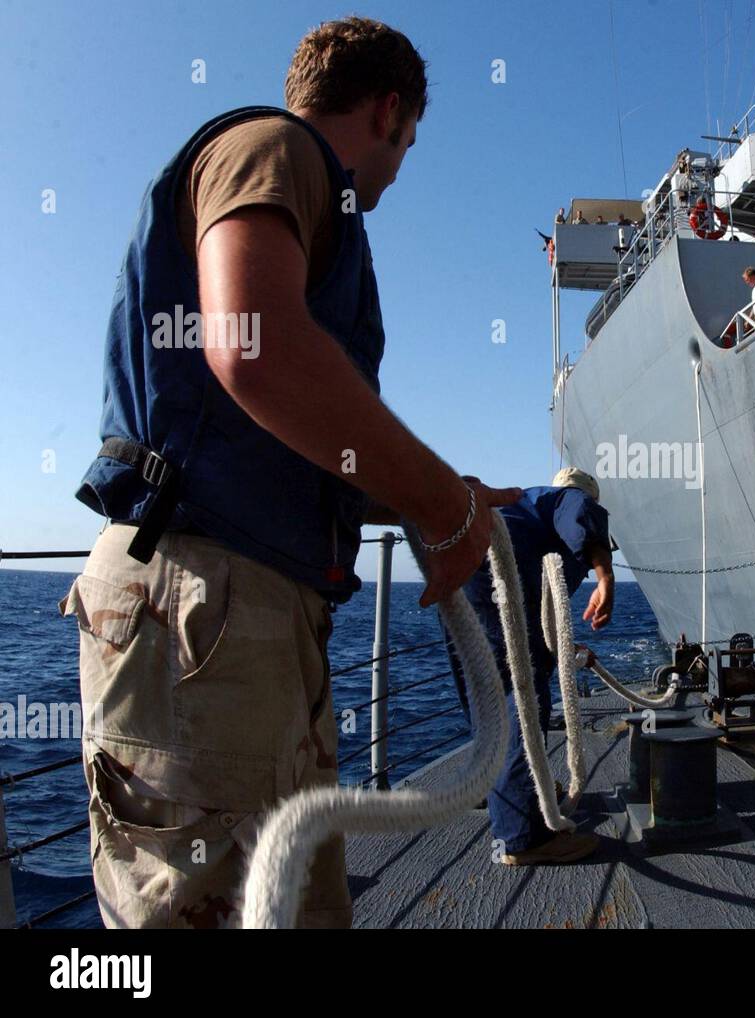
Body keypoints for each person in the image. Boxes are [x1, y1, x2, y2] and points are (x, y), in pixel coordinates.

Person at [60, 17, 521, 929]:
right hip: (205, 608)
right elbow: (253, 348)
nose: (400, 167)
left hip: (236, 618)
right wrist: (437, 503)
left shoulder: (306, 191)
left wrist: (449, 499)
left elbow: (284, 426)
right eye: (411, 143)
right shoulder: (278, 148)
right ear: (388, 111)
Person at [443, 468, 615, 866]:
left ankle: (503, 789)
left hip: (457, 570)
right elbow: (580, 510)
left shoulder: (530, 512)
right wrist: (605, 577)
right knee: (520, 697)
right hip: (499, 576)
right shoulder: (564, 500)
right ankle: (524, 838)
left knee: (486, 694)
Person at [718, 267, 755, 347]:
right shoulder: (754, 290)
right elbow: (754, 306)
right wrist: (749, 320)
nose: (746, 282)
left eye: (747, 279)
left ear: (752, 277)